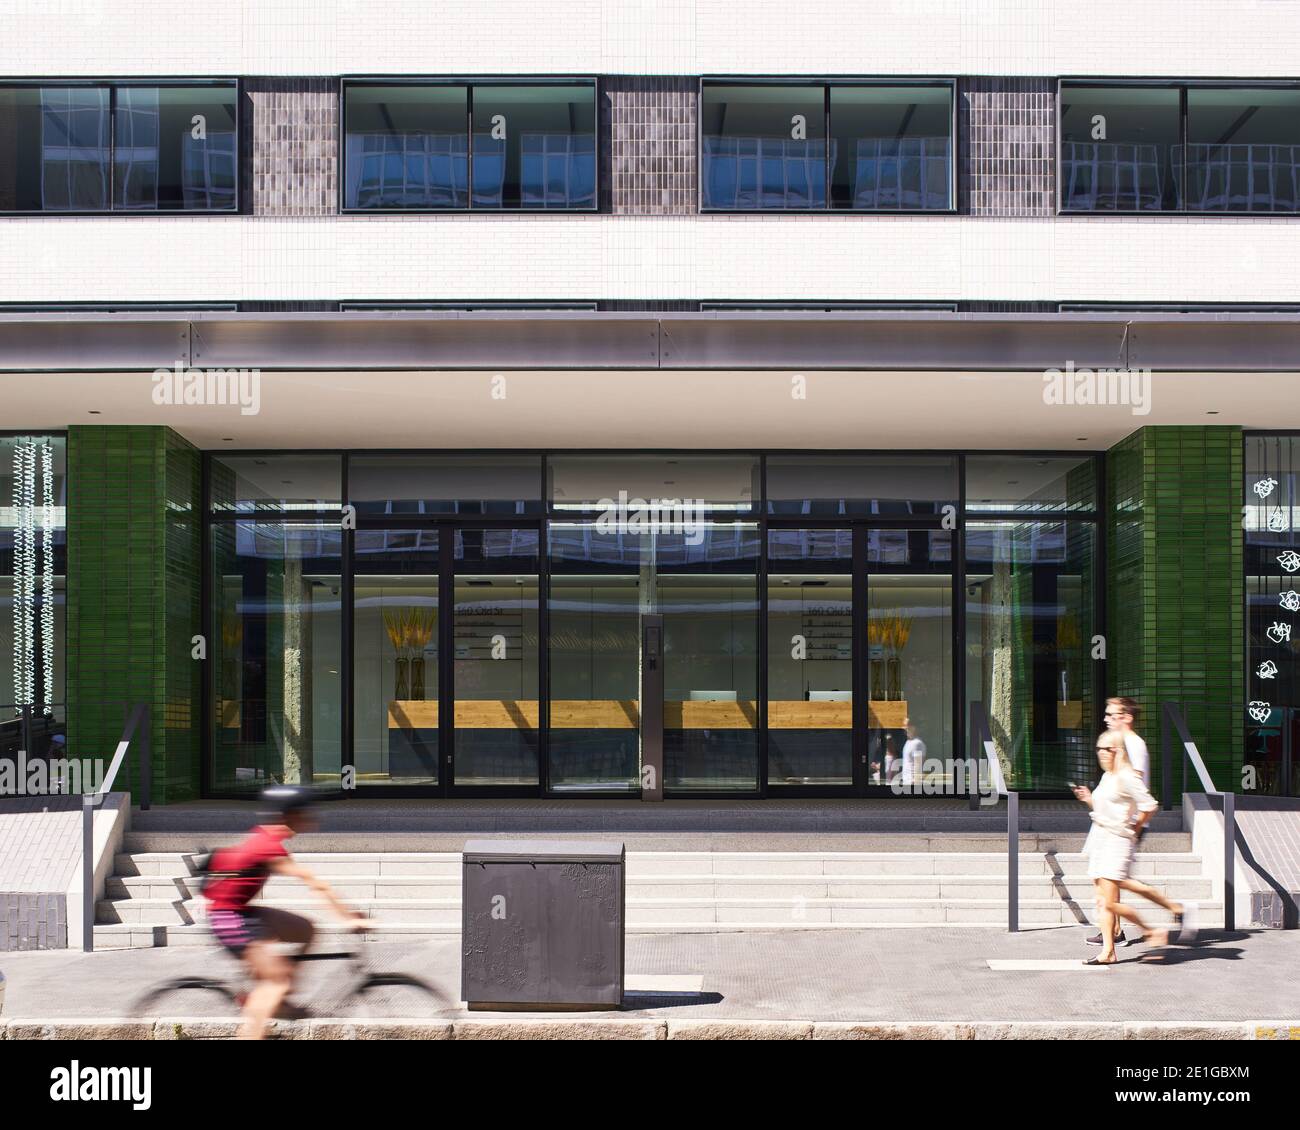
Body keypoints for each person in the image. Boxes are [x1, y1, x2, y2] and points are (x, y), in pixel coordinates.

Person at [201, 785, 367, 1040]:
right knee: (276, 982)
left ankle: (276, 998)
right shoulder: (266, 846)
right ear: (289, 815)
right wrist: (348, 916)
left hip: (243, 912)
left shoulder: (265, 839)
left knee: (306, 929)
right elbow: (314, 883)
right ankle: (263, 1008)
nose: (311, 818)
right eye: (305, 813)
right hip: (228, 918)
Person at [1072, 733, 1196, 965]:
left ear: (1117, 750)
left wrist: (1135, 828)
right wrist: (1089, 799)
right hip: (1102, 838)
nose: (1099, 753)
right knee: (1102, 902)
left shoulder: (1127, 776)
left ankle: (1150, 932)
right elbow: (1107, 806)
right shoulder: (1109, 776)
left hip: (1118, 841)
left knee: (1108, 902)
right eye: (1097, 748)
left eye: (1104, 749)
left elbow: (1149, 805)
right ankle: (1108, 951)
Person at [1088, 696, 1150, 946]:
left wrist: (1133, 825)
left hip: (1122, 825)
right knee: (1104, 881)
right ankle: (1113, 930)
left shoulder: (1133, 745)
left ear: (1127, 718)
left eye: (1112, 715)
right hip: (1110, 822)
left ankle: (1119, 933)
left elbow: (1135, 787)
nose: (1106, 719)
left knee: (1110, 884)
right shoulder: (1120, 742)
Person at [900, 718, 926, 791]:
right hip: (906, 782)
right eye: (904, 726)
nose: (904, 728)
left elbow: (918, 765)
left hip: (912, 784)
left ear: (913, 727)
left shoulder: (917, 743)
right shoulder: (908, 742)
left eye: (906, 725)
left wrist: (914, 783)